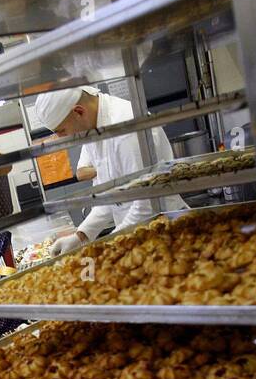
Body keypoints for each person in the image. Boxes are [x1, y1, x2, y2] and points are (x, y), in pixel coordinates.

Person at [33, 85, 188, 255]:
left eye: (62, 131)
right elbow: (110, 195)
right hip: (137, 236)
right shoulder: (93, 129)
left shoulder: (126, 129)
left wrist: (105, 248)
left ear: (78, 111)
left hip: (168, 233)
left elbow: (148, 206)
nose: (62, 138)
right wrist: (81, 236)